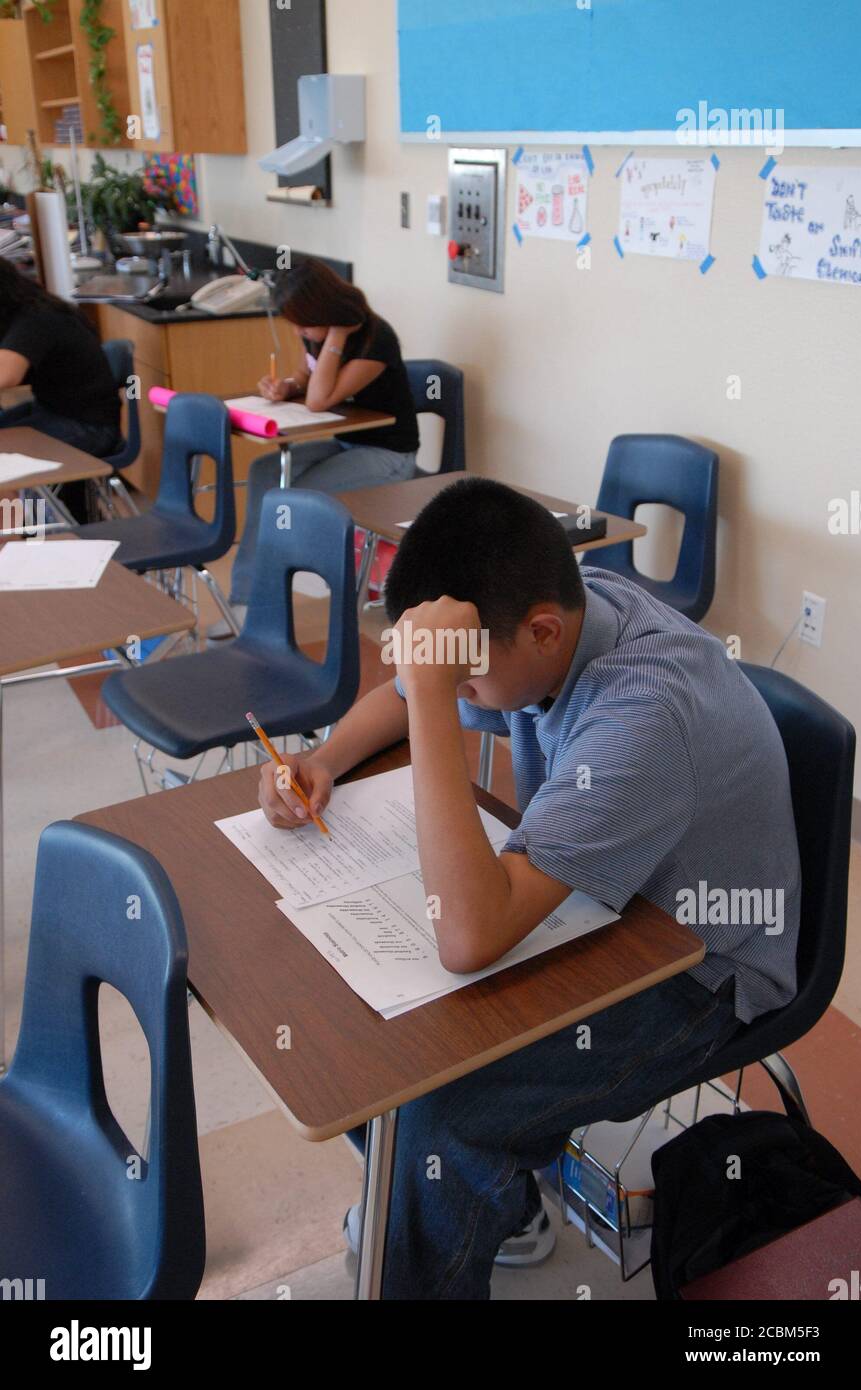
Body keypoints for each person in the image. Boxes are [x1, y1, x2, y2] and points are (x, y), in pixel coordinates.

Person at [257, 477, 801, 1300]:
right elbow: (399, 701)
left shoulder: (644, 712)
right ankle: (489, 1203)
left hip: (700, 968)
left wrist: (440, 691)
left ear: (543, 632)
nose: (462, 695)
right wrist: (323, 762)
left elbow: (467, 934)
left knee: (438, 1108)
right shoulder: (555, 616)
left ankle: (455, 1208)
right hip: (602, 905)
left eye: (468, 683)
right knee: (372, 1036)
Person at [221, 259, 420, 626]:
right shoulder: (314, 333)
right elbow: (305, 378)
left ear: (327, 311)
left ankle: (264, 605)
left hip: (389, 455)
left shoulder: (377, 340)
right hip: (347, 445)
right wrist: (285, 387)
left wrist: (336, 338)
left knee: (288, 498)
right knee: (265, 471)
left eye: (303, 323)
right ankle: (245, 600)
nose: (298, 331)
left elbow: (319, 401)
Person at [0, 259, 122, 512]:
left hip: (90, 426)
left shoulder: (37, 319)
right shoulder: (29, 308)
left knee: (3, 455)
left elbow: (5, 375)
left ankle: (17, 539)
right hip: (55, 411)